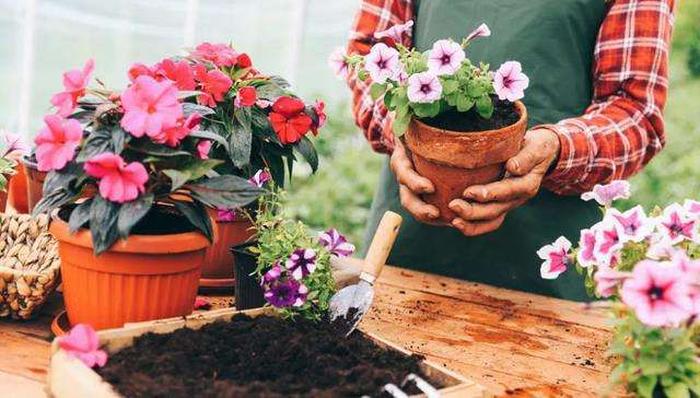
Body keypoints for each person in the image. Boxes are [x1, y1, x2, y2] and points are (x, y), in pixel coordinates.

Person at [345, 0, 675, 301]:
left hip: (546, 265)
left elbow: (635, 112)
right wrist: (399, 128)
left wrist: (555, 148)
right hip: (411, 245)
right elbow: (369, 53)